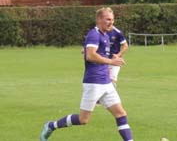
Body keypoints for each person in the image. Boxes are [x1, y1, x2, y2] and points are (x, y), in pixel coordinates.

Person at [40, 7, 133, 141]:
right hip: (94, 83)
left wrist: (108, 63)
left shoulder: (105, 35)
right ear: (99, 19)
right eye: (108, 19)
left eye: (112, 20)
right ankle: (50, 126)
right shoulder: (93, 34)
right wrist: (111, 61)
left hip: (106, 83)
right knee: (83, 119)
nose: (111, 23)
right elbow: (90, 56)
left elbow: (92, 53)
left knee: (121, 114)